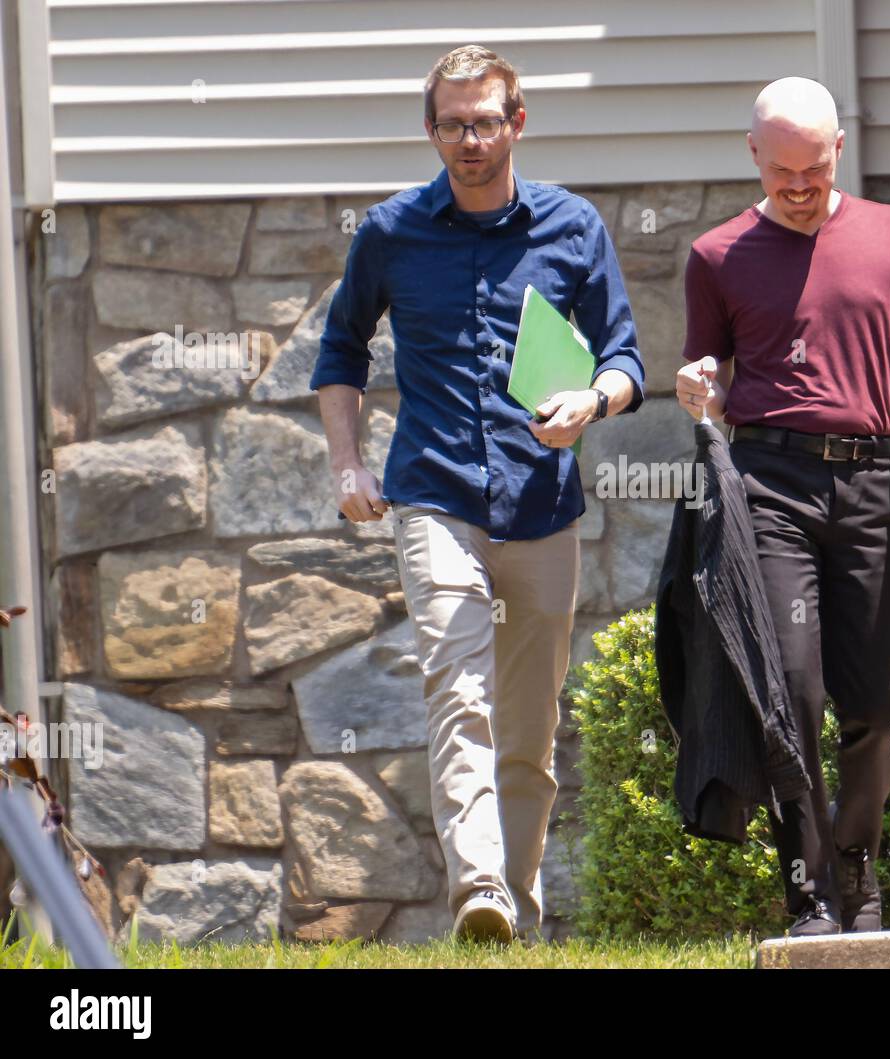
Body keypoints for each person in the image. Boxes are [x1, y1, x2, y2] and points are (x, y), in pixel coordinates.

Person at [311, 45, 644, 945]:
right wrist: (348, 464)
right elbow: (339, 353)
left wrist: (592, 400)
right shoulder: (388, 232)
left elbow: (625, 358)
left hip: (543, 504)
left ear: (517, 122)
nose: (470, 138)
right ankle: (479, 888)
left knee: (530, 729)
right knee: (457, 690)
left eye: (485, 120)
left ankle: (515, 912)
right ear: (431, 130)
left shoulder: (572, 227)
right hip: (435, 496)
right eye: (453, 123)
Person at [675, 77, 890, 937]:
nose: (798, 187)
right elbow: (711, 379)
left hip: (871, 481)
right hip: (769, 484)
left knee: (879, 701)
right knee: (790, 689)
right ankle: (809, 895)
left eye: (814, 167)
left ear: (841, 147)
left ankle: (855, 864)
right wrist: (699, 388)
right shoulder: (717, 256)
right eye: (780, 173)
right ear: (754, 157)